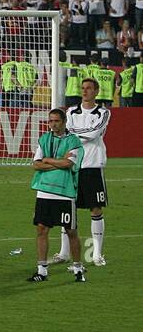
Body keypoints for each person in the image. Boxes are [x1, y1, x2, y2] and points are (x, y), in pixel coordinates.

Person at [28, 108, 87, 283]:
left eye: (57, 121)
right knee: (41, 230)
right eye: (51, 121)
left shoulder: (73, 141)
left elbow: (69, 163)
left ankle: (77, 269)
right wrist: (57, 163)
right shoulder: (44, 139)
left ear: (64, 122)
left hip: (64, 193)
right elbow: (36, 165)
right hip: (44, 192)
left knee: (71, 231)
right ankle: (42, 271)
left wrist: (48, 160)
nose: (53, 124)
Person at [61, 77, 109, 267]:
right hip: (73, 166)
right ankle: (64, 253)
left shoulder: (103, 112)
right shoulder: (71, 111)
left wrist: (77, 133)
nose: (85, 91)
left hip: (93, 166)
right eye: (83, 88)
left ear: (96, 91)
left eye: (89, 88)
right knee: (67, 210)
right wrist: (80, 132)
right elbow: (68, 131)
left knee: (95, 209)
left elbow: (94, 133)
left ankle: (97, 254)